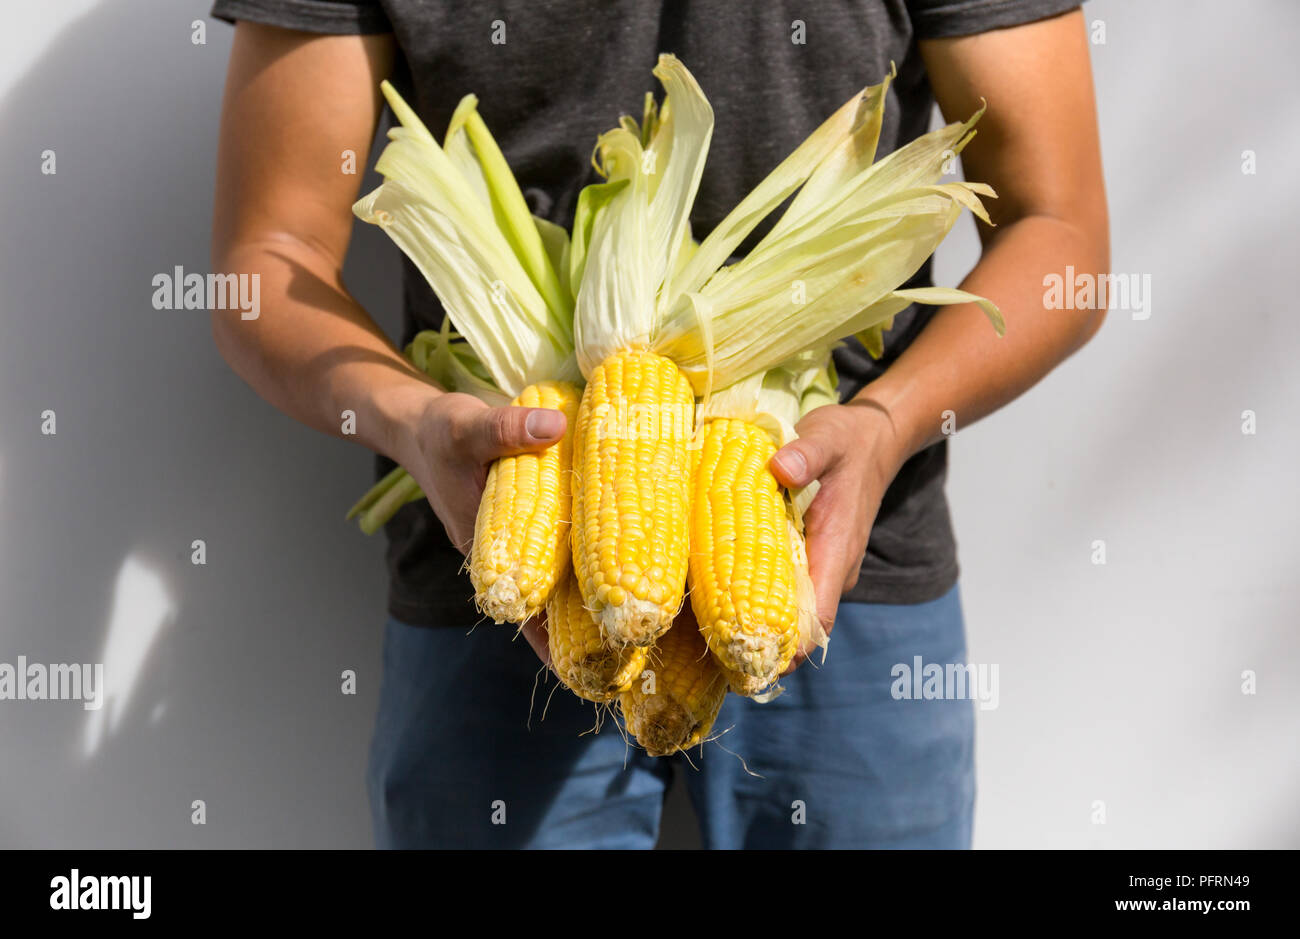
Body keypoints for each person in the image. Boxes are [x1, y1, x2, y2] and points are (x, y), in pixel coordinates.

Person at [209, 0, 1107, 849]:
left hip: (848, 556)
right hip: (500, 554)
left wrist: (885, 423)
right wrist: (413, 423)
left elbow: (1057, 225)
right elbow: (270, 255)